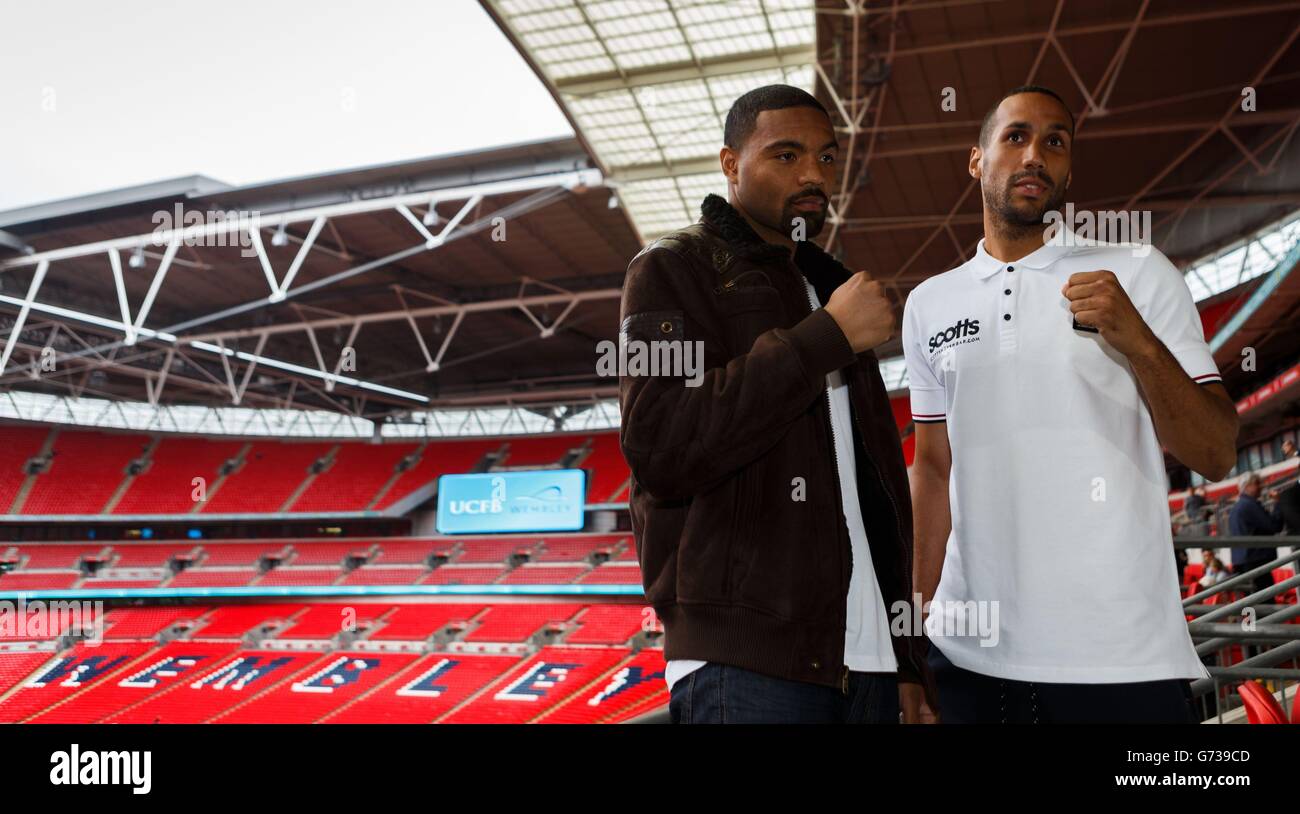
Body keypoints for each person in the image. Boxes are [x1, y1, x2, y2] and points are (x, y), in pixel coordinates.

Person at [903, 85, 1239, 723]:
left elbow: (1216, 452)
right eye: (1016, 136)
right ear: (977, 159)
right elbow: (933, 470)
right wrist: (910, 645)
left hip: (1120, 662)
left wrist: (1139, 341)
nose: (1036, 154)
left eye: (1055, 142)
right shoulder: (930, 303)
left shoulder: (1138, 272)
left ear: (1068, 168)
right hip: (967, 657)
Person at [618, 84, 936, 723]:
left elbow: (877, 491)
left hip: (869, 660)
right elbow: (662, 446)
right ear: (731, 163)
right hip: (746, 658)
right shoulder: (670, 268)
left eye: (825, 157)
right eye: (786, 156)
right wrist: (823, 340)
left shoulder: (833, 287)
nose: (813, 174)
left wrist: (905, 658)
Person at [1228, 473, 1283, 595]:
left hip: (1244, 562)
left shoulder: (1237, 506)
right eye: (1257, 483)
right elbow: (1274, 526)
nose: (1261, 486)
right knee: (1265, 604)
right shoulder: (1249, 505)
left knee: (1254, 606)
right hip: (1255, 562)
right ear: (1247, 486)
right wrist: (1277, 503)